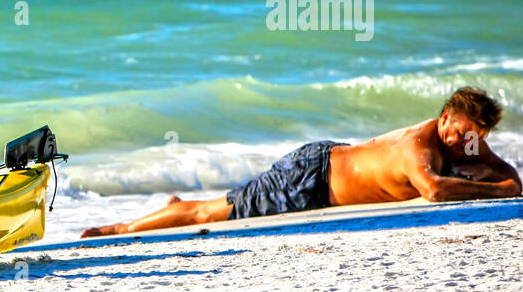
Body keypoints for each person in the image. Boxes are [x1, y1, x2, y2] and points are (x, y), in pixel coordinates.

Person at [81, 87, 520, 238]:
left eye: (474, 138)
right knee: (213, 211)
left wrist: (493, 172)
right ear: (444, 116)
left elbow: (510, 178)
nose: (464, 142)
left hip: (330, 160)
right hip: (309, 181)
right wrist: (496, 190)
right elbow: (435, 192)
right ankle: (122, 227)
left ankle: (173, 209)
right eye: (459, 131)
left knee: (224, 205)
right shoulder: (419, 147)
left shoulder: (459, 143)